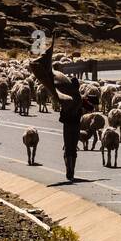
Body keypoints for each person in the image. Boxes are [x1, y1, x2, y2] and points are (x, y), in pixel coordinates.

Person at [27, 36, 84, 182]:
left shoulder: (66, 98)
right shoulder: (78, 99)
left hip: (67, 126)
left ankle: (68, 168)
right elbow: (88, 108)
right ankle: (72, 168)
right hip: (76, 126)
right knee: (73, 147)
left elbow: (62, 109)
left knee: (67, 147)